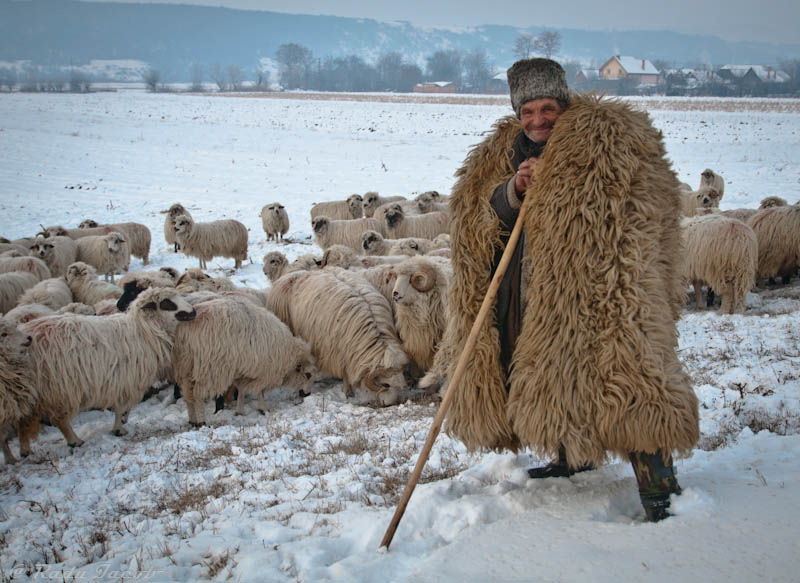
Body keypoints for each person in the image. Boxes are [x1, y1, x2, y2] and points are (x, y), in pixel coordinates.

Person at [432, 58, 700, 521]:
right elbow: (478, 216)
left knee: (629, 380)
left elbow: (637, 210)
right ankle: (571, 455)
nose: (538, 120)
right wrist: (515, 189)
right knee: (547, 373)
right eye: (528, 111)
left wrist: (556, 183)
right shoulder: (501, 152)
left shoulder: (610, 138)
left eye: (548, 108)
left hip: (605, 288)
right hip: (527, 288)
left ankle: (659, 483)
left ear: (564, 102)